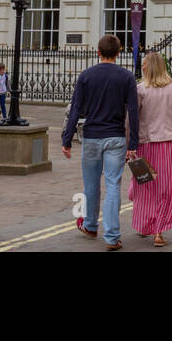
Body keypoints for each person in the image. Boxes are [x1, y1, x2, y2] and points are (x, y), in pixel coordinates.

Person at [60, 34, 139, 250]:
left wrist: (67, 139)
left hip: (92, 136)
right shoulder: (126, 77)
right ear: (118, 53)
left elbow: (76, 108)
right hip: (115, 137)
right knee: (113, 184)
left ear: (98, 52)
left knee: (91, 185)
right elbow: (133, 111)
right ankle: (112, 236)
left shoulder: (86, 75)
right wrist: (133, 143)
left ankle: (91, 225)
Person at [130, 51, 172, 247]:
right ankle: (159, 231)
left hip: (145, 144)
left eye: (144, 64)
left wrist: (130, 143)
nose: (142, 66)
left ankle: (147, 223)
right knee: (165, 188)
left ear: (150, 67)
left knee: (145, 186)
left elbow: (133, 119)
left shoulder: (140, 89)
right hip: (167, 145)